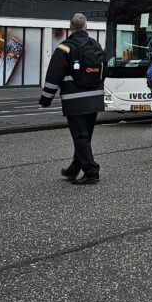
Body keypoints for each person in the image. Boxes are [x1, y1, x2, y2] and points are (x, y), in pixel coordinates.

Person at [39, 14, 106, 185]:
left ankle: (91, 171)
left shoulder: (65, 48)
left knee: (80, 137)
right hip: (95, 99)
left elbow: (53, 75)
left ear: (71, 28)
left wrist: (46, 98)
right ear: (86, 27)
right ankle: (74, 169)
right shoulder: (96, 45)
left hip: (75, 100)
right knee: (85, 137)